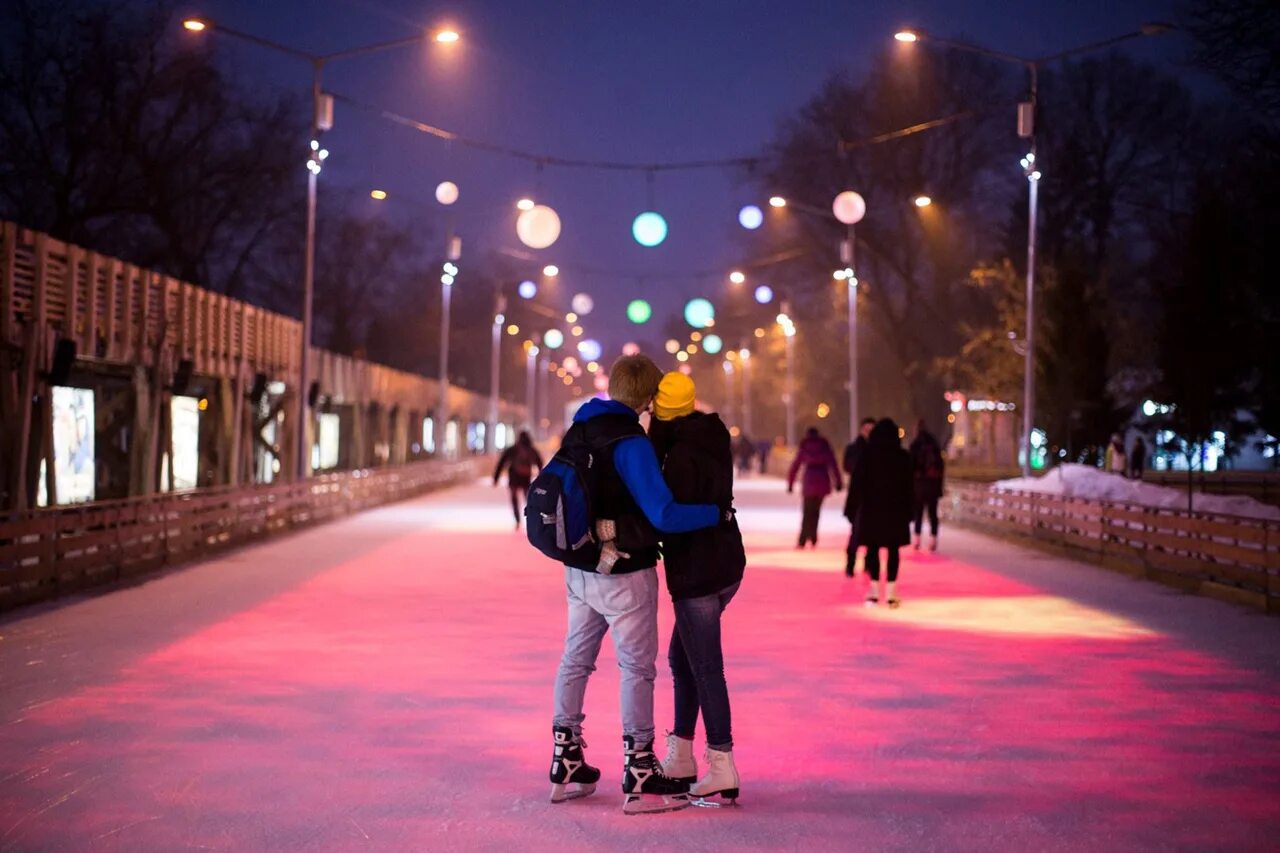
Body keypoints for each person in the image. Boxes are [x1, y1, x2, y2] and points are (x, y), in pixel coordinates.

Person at [548, 354, 723, 815]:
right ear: (647, 398)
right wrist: (715, 513)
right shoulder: (632, 441)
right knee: (637, 669)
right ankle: (641, 767)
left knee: (575, 660)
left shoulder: (580, 427)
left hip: (579, 568)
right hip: (624, 575)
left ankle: (565, 758)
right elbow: (662, 513)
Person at [647, 372, 747, 807]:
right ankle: (683, 753)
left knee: (705, 666)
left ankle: (721, 764)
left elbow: (671, 516)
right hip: (727, 564)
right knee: (681, 657)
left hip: (698, 573)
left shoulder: (679, 455)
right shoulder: (712, 436)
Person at [846, 418, 913, 607]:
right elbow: (909, 488)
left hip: (871, 512)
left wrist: (851, 509)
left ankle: (874, 590)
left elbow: (856, 486)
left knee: (873, 549)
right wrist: (910, 512)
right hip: (895, 512)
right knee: (893, 550)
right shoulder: (903, 457)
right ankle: (892, 591)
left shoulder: (867, 455)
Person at [787, 427, 843, 549]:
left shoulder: (805, 446)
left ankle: (802, 539)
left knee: (807, 512)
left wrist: (790, 483)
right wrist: (838, 482)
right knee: (816, 512)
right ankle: (813, 538)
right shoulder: (824, 446)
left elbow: (795, 465)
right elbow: (833, 464)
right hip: (823, 481)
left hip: (809, 481)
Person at [842, 418, 876, 575]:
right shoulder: (854, 448)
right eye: (867, 429)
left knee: (873, 533)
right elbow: (847, 466)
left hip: (874, 497)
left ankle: (869, 564)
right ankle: (850, 564)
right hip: (858, 497)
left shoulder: (878, 450)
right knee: (856, 532)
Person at [493, 430, 543, 529]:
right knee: (528, 500)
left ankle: (517, 520)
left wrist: (496, 478)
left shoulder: (512, 449)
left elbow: (502, 462)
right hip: (526, 479)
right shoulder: (531, 450)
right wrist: (541, 477)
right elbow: (540, 463)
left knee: (514, 499)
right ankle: (531, 520)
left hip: (514, 478)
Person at [908, 419, 946, 552]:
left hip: (919, 485)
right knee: (932, 513)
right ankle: (933, 538)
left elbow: (910, 467)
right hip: (933, 485)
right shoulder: (934, 444)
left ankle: (917, 539)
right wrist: (940, 486)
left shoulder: (915, 445)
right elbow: (941, 466)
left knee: (918, 513)